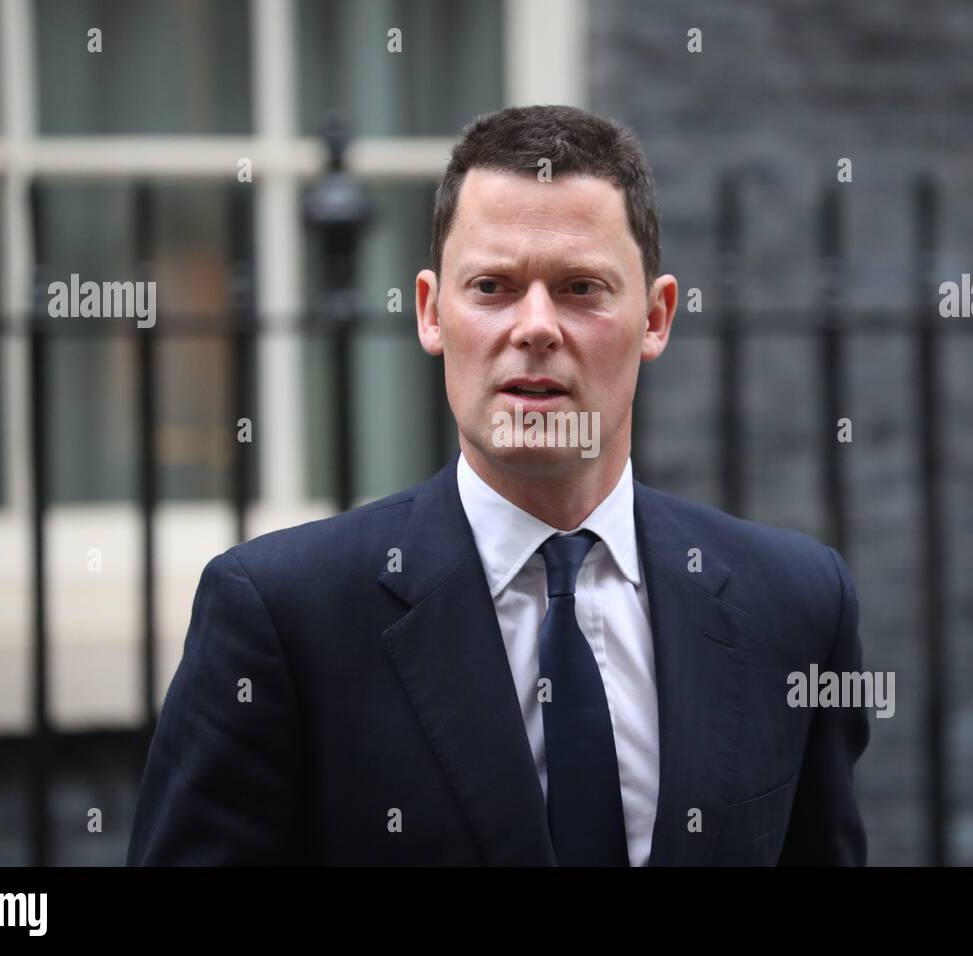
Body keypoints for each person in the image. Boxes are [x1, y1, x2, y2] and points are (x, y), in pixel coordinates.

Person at [127, 104, 868, 866]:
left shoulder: (796, 604)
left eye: (581, 286)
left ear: (655, 317)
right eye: (492, 286)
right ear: (430, 312)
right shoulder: (281, 616)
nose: (536, 326)